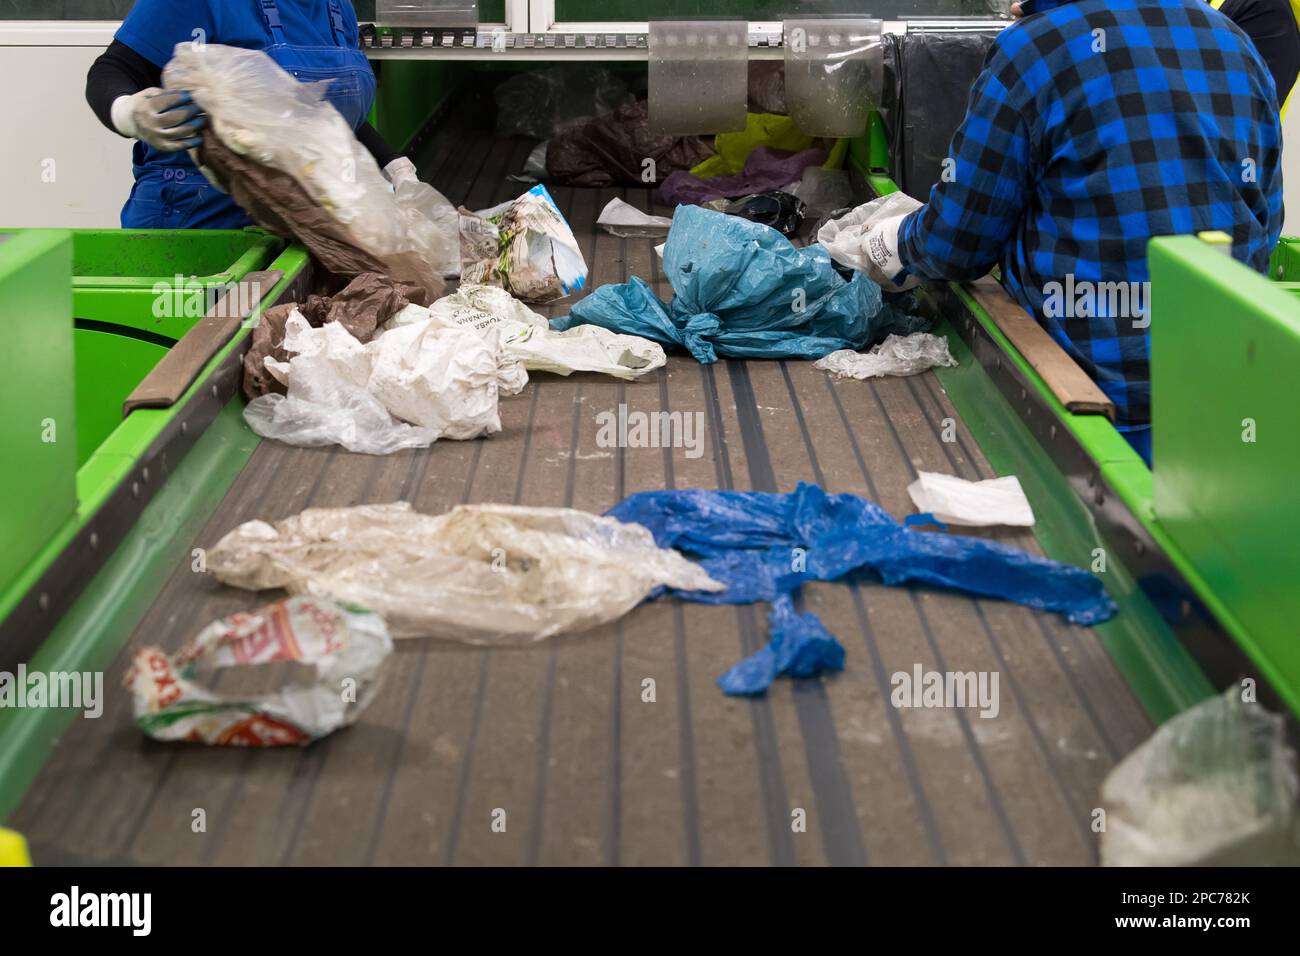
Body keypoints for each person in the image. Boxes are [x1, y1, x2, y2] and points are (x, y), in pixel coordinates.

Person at [835, 0, 1283, 466]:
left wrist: (890, 243)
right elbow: (1265, 224)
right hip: (1224, 394)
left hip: (1097, 397)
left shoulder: (1037, 48)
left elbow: (959, 242)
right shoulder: (1234, 41)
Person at [85, 0, 419, 229]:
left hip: (291, 220)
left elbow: (320, 113)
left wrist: (394, 165)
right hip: (197, 219)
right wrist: (130, 112)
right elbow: (113, 69)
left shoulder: (336, 8)